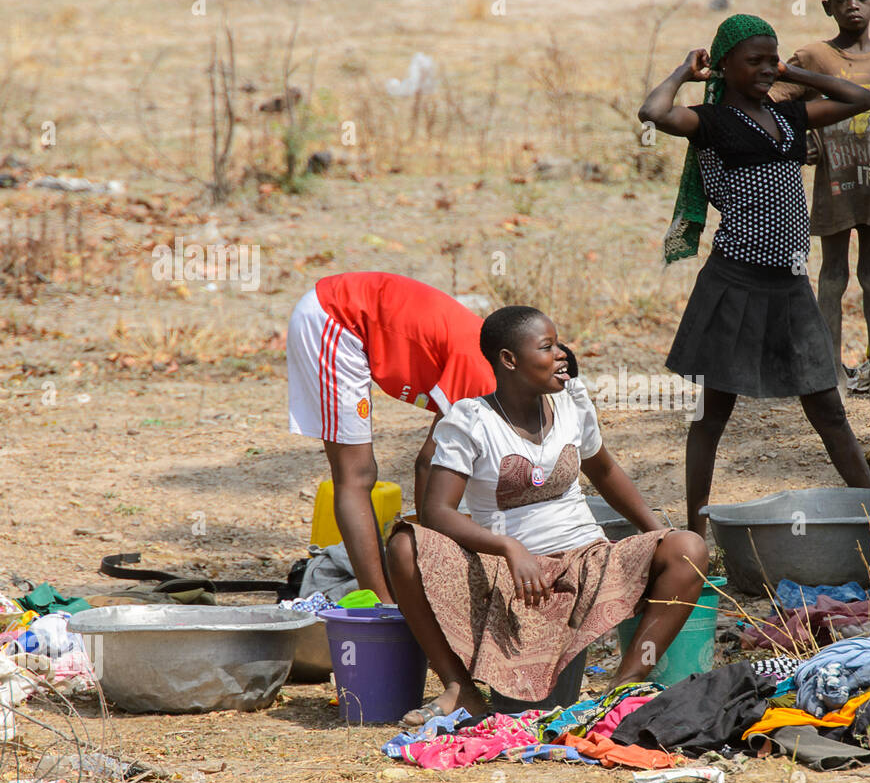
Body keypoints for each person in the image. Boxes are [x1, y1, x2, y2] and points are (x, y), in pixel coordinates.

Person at [387, 306, 709, 721]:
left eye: (558, 344)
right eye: (547, 346)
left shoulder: (572, 404)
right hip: (507, 574)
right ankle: (459, 688)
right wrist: (508, 547)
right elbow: (435, 511)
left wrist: (657, 535)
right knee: (402, 546)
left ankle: (623, 688)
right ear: (509, 360)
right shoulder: (471, 420)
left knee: (688, 548)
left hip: (586, 562)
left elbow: (605, 470)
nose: (562, 354)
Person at [639, 13, 870, 538]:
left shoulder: (790, 116)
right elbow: (652, 112)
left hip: (791, 287)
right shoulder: (710, 122)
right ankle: (694, 537)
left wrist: (800, 72)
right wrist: (684, 70)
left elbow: (865, 100)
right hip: (736, 286)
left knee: (829, 409)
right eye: (756, 61)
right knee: (711, 417)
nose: (768, 68)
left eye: (772, 58)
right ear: (725, 64)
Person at [287, 271, 496, 606]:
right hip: (334, 318)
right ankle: (382, 605)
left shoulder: (500, 362)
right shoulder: (487, 375)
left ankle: (403, 590)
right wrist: (436, 564)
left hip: (354, 313)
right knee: (356, 474)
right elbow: (430, 463)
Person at [769, 0, 870, 400]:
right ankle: (831, 371)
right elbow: (770, 102)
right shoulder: (813, 59)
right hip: (834, 185)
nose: (853, 5)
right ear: (828, 6)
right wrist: (801, 141)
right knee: (832, 275)